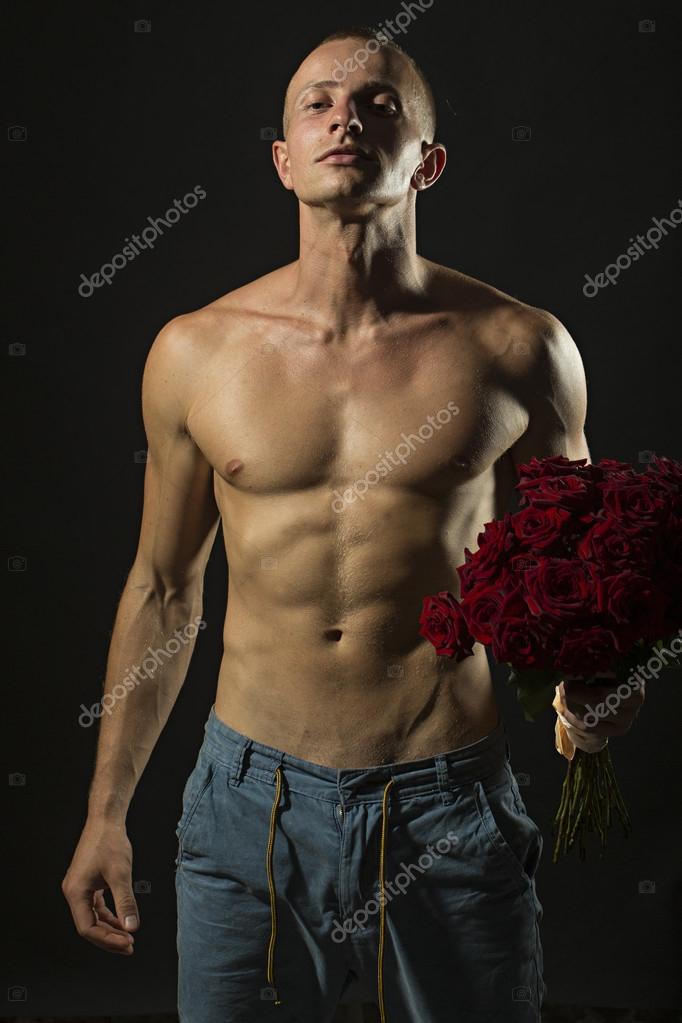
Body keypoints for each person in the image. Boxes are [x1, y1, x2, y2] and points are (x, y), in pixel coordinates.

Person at [61, 25, 645, 1023]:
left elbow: (586, 587)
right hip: (249, 800)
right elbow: (162, 588)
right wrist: (104, 814)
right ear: (284, 161)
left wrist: (592, 706)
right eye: (319, 102)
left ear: (429, 161)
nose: (346, 117)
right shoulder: (194, 353)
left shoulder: (521, 348)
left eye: (379, 103)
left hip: (443, 797)